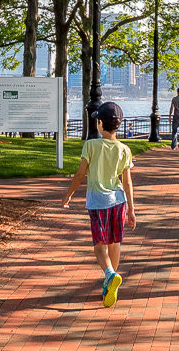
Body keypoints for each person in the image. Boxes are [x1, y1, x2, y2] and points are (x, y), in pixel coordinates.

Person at [63, 100, 137, 307]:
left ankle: (110, 274)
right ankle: (109, 283)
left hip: (98, 201)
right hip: (119, 201)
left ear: (100, 124)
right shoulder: (124, 149)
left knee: (99, 244)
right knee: (115, 242)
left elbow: (80, 173)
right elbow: (127, 181)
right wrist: (131, 209)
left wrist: (69, 194)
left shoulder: (91, 145)